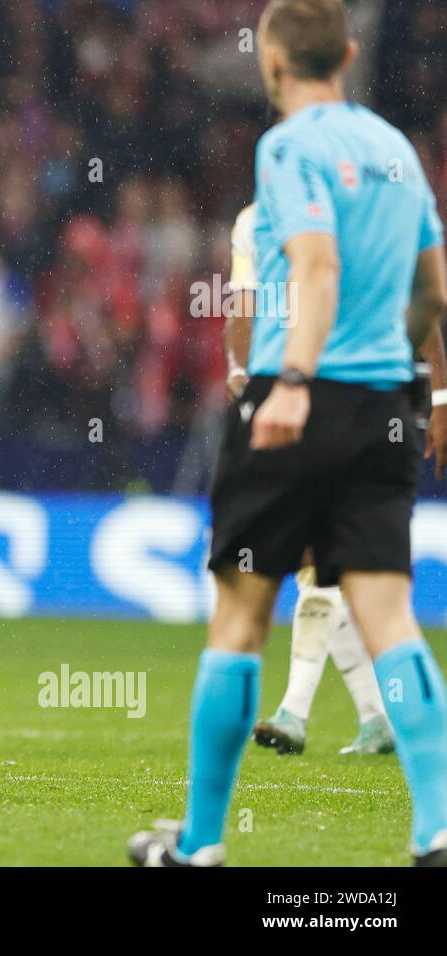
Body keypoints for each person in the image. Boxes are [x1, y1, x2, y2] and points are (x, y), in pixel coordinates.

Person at [129, 0, 447, 867]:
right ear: (346, 53)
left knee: (239, 618)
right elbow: (434, 290)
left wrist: (296, 380)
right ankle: (437, 827)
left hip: (294, 396)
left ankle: (198, 844)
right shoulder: (397, 153)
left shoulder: (286, 147)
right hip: (385, 403)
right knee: (389, 614)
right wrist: (426, 386)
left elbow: (314, 263)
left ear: (271, 61)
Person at [223, 203, 447, 757]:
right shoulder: (254, 222)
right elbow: (242, 309)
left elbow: (417, 300)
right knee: (329, 570)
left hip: (358, 402)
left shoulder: (354, 217)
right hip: (300, 401)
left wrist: (440, 395)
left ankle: (295, 712)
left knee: (330, 565)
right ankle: (377, 716)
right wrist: (239, 371)